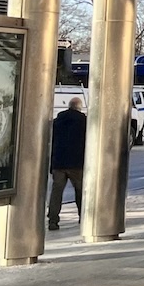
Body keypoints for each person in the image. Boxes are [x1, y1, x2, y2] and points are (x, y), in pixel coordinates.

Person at [47, 96, 86, 231]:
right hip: (77, 163)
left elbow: (51, 142)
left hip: (59, 162)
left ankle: (53, 220)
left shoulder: (57, 121)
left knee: (56, 193)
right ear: (79, 107)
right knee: (80, 191)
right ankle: (83, 217)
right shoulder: (84, 121)